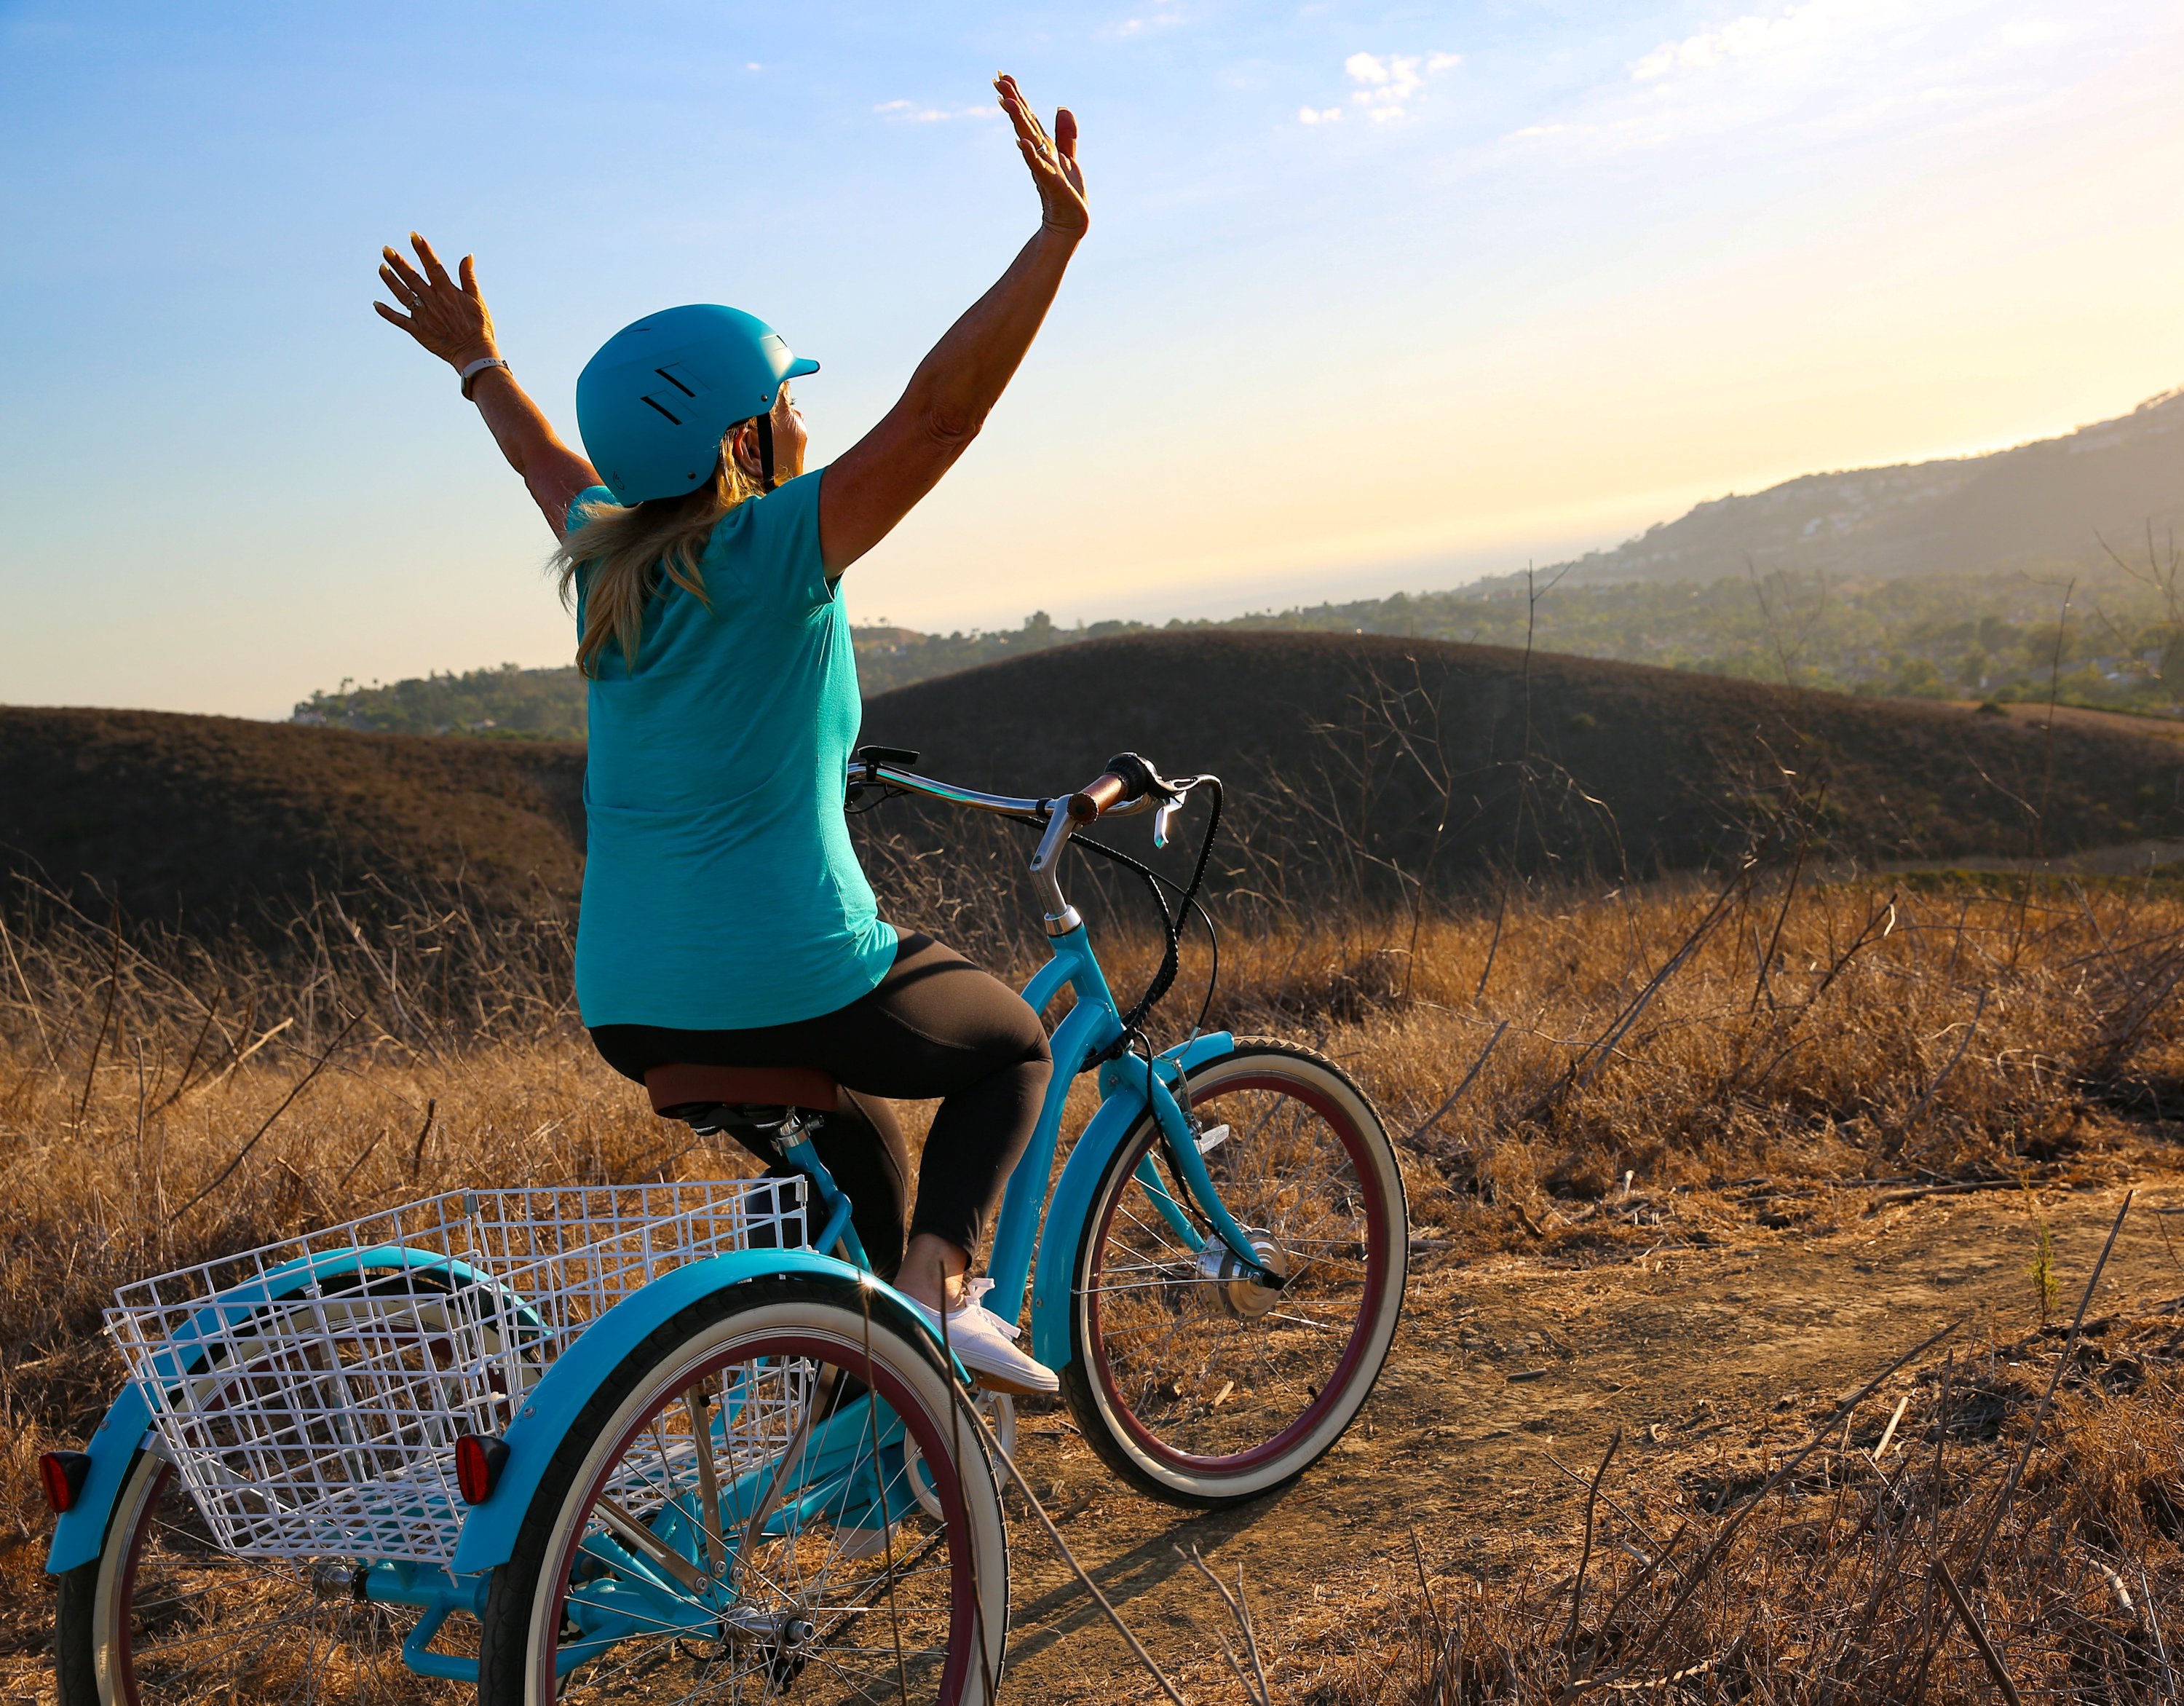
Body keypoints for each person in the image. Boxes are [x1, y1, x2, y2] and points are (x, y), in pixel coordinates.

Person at [373, 74, 1087, 1394]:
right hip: (791, 968)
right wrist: (1053, 245)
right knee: (1012, 1048)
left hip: (630, 1003)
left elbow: (541, 459)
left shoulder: (608, 558)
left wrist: (478, 359)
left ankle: (857, 1410)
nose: (804, 417)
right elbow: (941, 416)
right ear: (745, 437)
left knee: (859, 1146)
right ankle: (942, 1300)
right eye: (786, 402)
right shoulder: (775, 546)